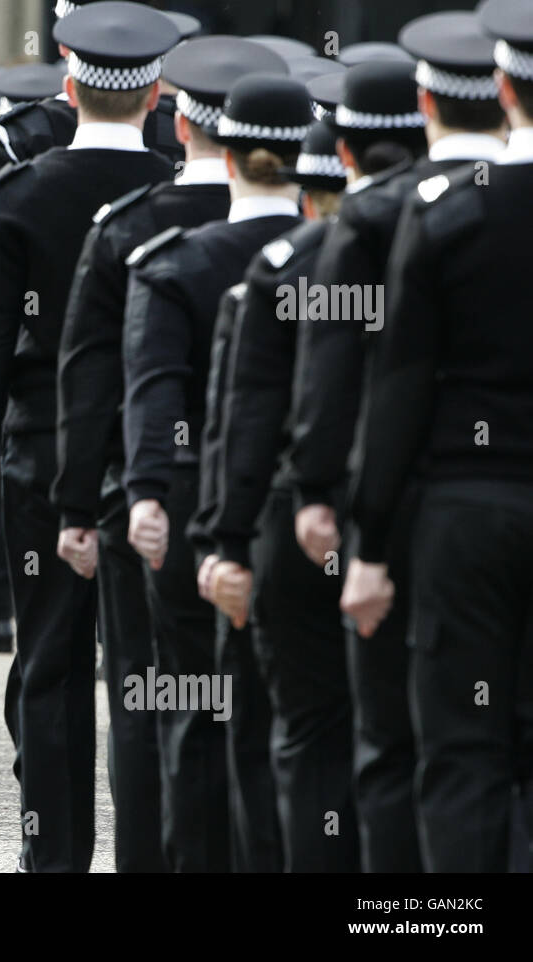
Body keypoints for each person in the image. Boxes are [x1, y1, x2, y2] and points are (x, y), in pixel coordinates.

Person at [0, 0, 180, 874]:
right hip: (159, 455)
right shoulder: (177, 188)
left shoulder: (15, 194)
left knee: (50, 668)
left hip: (42, 452)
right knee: (148, 674)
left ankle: (55, 858)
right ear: (155, 90)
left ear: (69, 84)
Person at [52, 34, 287, 874]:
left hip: (170, 498)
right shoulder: (342, 251)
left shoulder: (141, 235)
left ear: (179, 122)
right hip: (298, 507)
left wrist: (85, 504)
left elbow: (98, 382)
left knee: (164, 701)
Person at [289, 14, 506, 872]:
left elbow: (351, 376)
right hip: (477, 499)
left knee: (391, 736)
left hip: (413, 499)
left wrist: (325, 494)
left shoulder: (388, 216)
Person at [339, 0, 532, 873]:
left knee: (460, 751)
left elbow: (400, 388)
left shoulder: (448, 212)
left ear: (502, 90)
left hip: (466, 507)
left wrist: (370, 543)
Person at [121, 73, 311, 871]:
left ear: (222, 156)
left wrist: (147, 490)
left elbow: (155, 384)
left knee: (195, 709)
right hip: (306, 511)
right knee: (304, 722)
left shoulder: (176, 262)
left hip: (199, 500)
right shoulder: (335, 259)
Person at [201, 117, 358, 872]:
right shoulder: (431, 239)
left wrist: (227, 538)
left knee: (303, 734)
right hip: (409, 518)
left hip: (293, 523)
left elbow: (248, 414)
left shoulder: (283, 264)